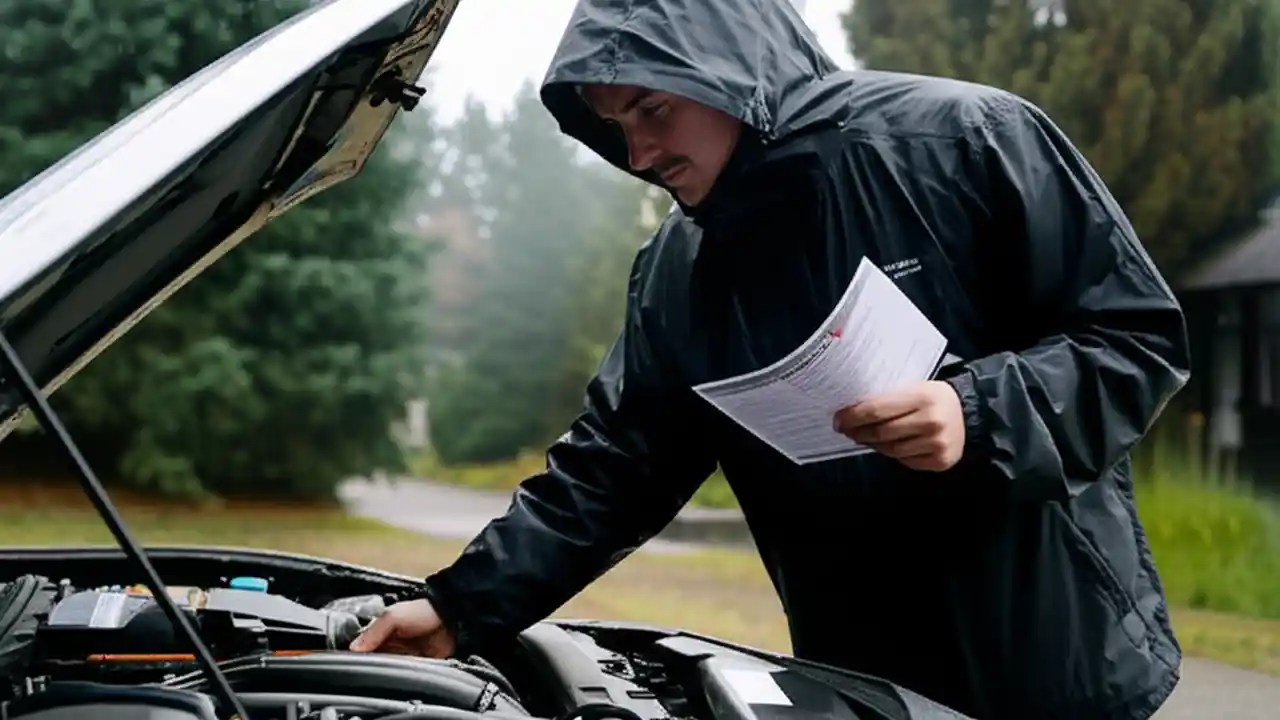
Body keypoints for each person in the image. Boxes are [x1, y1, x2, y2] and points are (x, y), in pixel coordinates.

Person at [349, 1, 1191, 718]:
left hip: (1056, 663)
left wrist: (976, 414)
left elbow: (1133, 337)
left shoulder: (965, 140)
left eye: (650, 110)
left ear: (724, 65)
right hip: (858, 683)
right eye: (616, 127)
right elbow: (614, 470)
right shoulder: (677, 270)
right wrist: (461, 608)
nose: (638, 153)